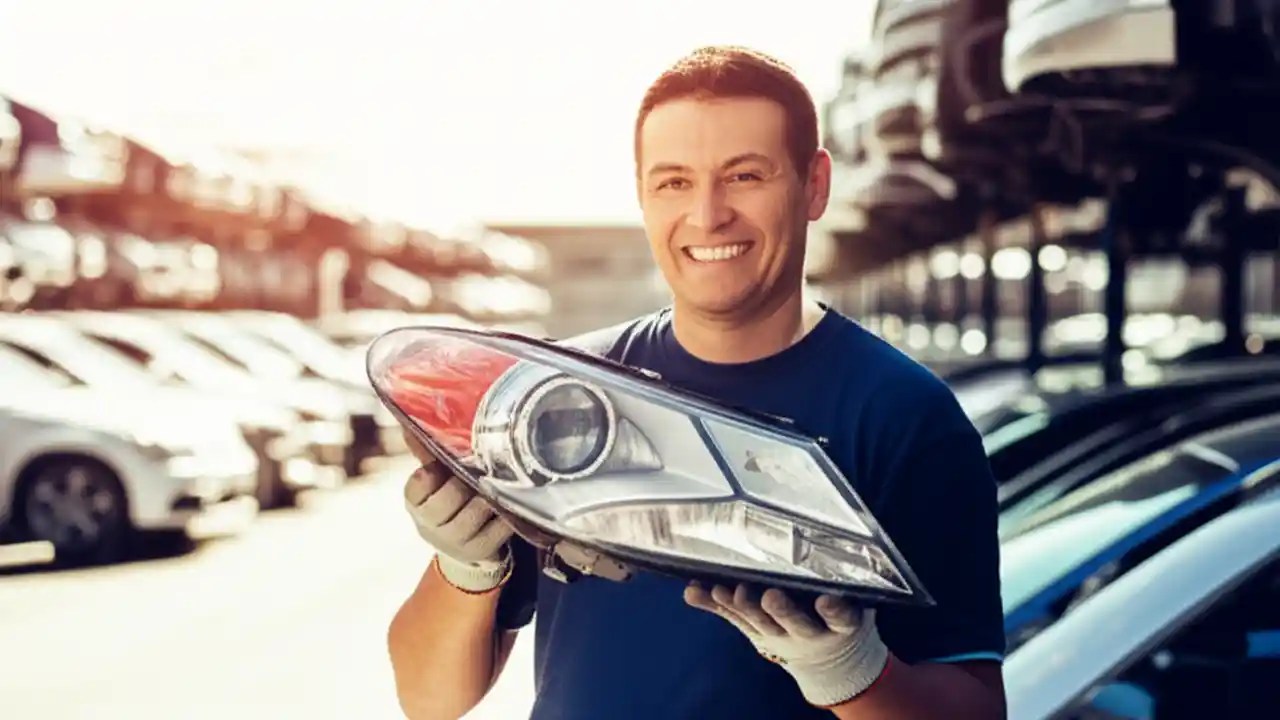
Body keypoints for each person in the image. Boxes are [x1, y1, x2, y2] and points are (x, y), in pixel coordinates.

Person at [387, 45, 1007, 720]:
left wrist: (852, 673)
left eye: (744, 176)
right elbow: (428, 701)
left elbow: (978, 710)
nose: (708, 215)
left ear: (815, 185)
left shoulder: (907, 417)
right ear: (642, 194)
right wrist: (466, 569)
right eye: (674, 182)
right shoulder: (558, 399)